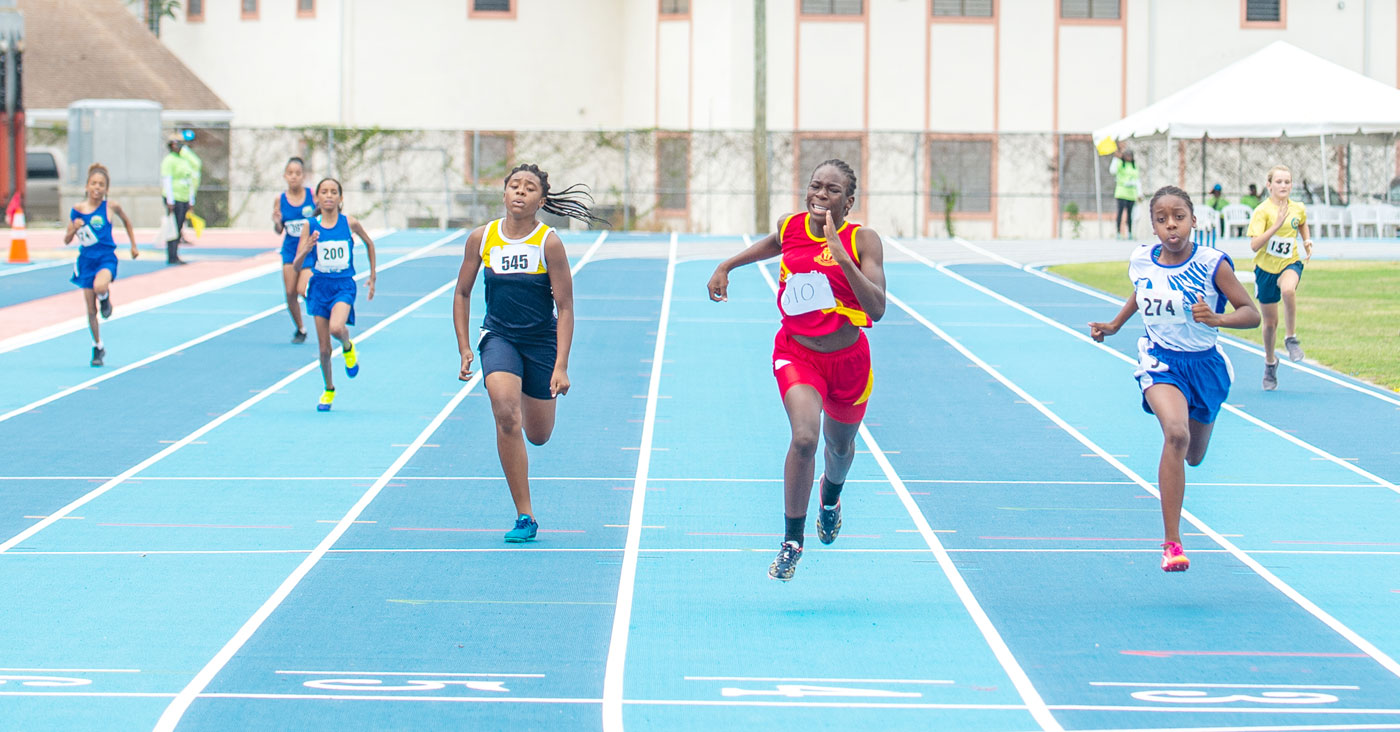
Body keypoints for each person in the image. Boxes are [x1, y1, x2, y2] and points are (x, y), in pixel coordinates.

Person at [706, 159, 887, 582]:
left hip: (848, 363)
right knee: (805, 437)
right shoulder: (791, 226)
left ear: (849, 202)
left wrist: (841, 256)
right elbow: (774, 243)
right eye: (815, 186)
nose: (820, 195)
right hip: (798, 354)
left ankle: (831, 497)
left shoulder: (863, 241)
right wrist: (726, 266)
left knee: (839, 448)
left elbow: (877, 308)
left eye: (832, 190)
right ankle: (792, 542)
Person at [1088, 186, 1259, 572]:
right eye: (1162, 219)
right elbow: (1141, 292)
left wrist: (1218, 318)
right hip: (1161, 361)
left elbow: (1251, 313)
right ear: (1153, 226)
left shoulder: (1213, 264)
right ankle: (1172, 543)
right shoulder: (1141, 260)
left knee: (1193, 455)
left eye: (1179, 217)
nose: (1171, 226)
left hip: (1205, 366)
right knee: (1176, 435)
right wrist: (1115, 325)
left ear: (1193, 221)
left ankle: (1202, 416)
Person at [452, 163, 602, 543]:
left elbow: (565, 307)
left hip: (540, 341)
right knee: (505, 413)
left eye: (529, 188)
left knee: (539, 435)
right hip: (499, 336)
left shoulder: (548, 243)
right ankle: (525, 515)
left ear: (541, 200)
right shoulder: (481, 238)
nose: (520, 191)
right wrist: (465, 346)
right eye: (514, 185)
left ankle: (522, 385)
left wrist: (561, 366)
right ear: (504, 193)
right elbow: (462, 293)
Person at [292, 178, 377, 411]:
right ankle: (329, 388)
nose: (328, 195)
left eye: (333, 192)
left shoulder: (349, 223)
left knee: (337, 328)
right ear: (317, 198)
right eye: (324, 192)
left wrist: (373, 276)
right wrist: (306, 249)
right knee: (324, 349)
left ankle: (348, 346)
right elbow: (297, 265)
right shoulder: (310, 225)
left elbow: (369, 244)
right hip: (319, 287)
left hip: (343, 285)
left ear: (340, 198)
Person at [63, 163, 139, 367]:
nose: (97, 188)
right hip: (86, 261)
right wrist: (74, 228)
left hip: (106, 258)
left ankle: (105, 298)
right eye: (94, 183)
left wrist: (133, 245)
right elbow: (67, 240)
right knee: (90, 310)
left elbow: (127, 222)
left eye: (101, 184)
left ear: (106, 189)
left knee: (100, 286)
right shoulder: (77, 210)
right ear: (87, 186)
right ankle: (98, 346)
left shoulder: (110, 207)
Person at [1246, 164, 1312, 390]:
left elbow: (1302, 222)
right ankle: (1270, 362)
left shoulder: (1298, 208)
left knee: (1288, 290)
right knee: (1270, 324)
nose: (1283, 186)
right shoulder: (1262, 211)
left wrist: (1306, 240)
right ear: (1269, 185)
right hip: (1265, 270)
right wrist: (1275, 225)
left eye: (1287, 182)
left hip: (1289, 262)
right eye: (1279, 182)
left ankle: (1291, 337)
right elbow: (1254, 245)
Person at [273, 157, 316, 343]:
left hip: (308, 251)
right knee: (290, 293)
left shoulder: (312, 196)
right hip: (290, 251)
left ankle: (323, 314)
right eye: (290, 173)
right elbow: (279, 230)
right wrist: (277, 222)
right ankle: (300, 329)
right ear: (285, 175)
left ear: (303, 176)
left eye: (297, 173)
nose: (294, 177)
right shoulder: (280, 199)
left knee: (302, 289)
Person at [160, 135, 201, 265]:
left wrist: (191, 200)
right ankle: (171, 255)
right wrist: (170, 200)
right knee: (173, 227)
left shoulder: (183, 159)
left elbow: (189, 178)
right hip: (174, 197)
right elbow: (167, 180)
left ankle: (176, 253)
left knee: (179, 227)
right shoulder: (169, 160)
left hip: (183, 196)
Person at [1110, 149, 1141, 240]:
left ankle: (1130, 232)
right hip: (1122, 192)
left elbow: (1137, 179)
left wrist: (1139, 192)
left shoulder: (1134, 166)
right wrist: (1115, 158)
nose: (1128, 157)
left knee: (1130, 214)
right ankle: (1118, 232)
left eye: (1130, 155)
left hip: (1131, 194)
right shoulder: (1120, 164)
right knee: (1120, 213)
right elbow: (1113, 171)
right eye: (1127, 155)